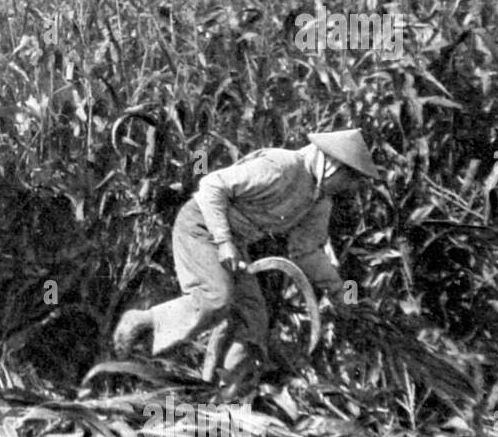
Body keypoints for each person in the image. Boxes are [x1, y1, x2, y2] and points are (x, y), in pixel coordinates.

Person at [111, 129, 382, 385]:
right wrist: (224, 240)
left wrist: (340, 294)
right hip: (202, 225)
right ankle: (142, 321)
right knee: (216, 297)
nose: (349, 186)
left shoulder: (319, 201)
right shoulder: (281, 167)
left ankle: (219, 388)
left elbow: (307, 252)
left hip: (232, 241)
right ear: (331, 164)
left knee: (252, 319)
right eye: (349, 177)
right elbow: (211, 185)